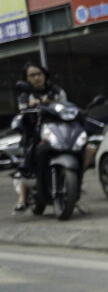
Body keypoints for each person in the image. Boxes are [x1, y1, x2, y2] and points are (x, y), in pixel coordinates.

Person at [12, 63, 66, 213]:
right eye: (32, 75)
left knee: (89, 147)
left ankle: (71, 180)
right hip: (34, 134)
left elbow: (66, 106)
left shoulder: (56, 91)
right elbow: (22, 111)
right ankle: (22, 199)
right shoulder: (25, 95)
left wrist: (52, 103)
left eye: (39, 73)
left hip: (57, 131)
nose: (37, 77)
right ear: (26, 79)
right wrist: (30, 105)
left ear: (45, 74)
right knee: (27, 162)